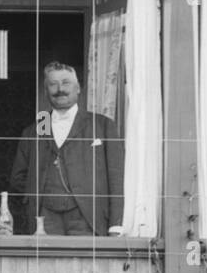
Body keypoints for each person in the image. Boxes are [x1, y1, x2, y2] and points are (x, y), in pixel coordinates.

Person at [9, 61, 126, 236]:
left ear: (78, 88)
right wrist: (38, 195)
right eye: (52, 84)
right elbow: (18, 179)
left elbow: (116, 178)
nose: (59, 89)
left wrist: (115, 225)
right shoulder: (36, 128)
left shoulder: (102, 125)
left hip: (89, 218)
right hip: (44, 219)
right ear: (46, 90)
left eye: (65, 82)